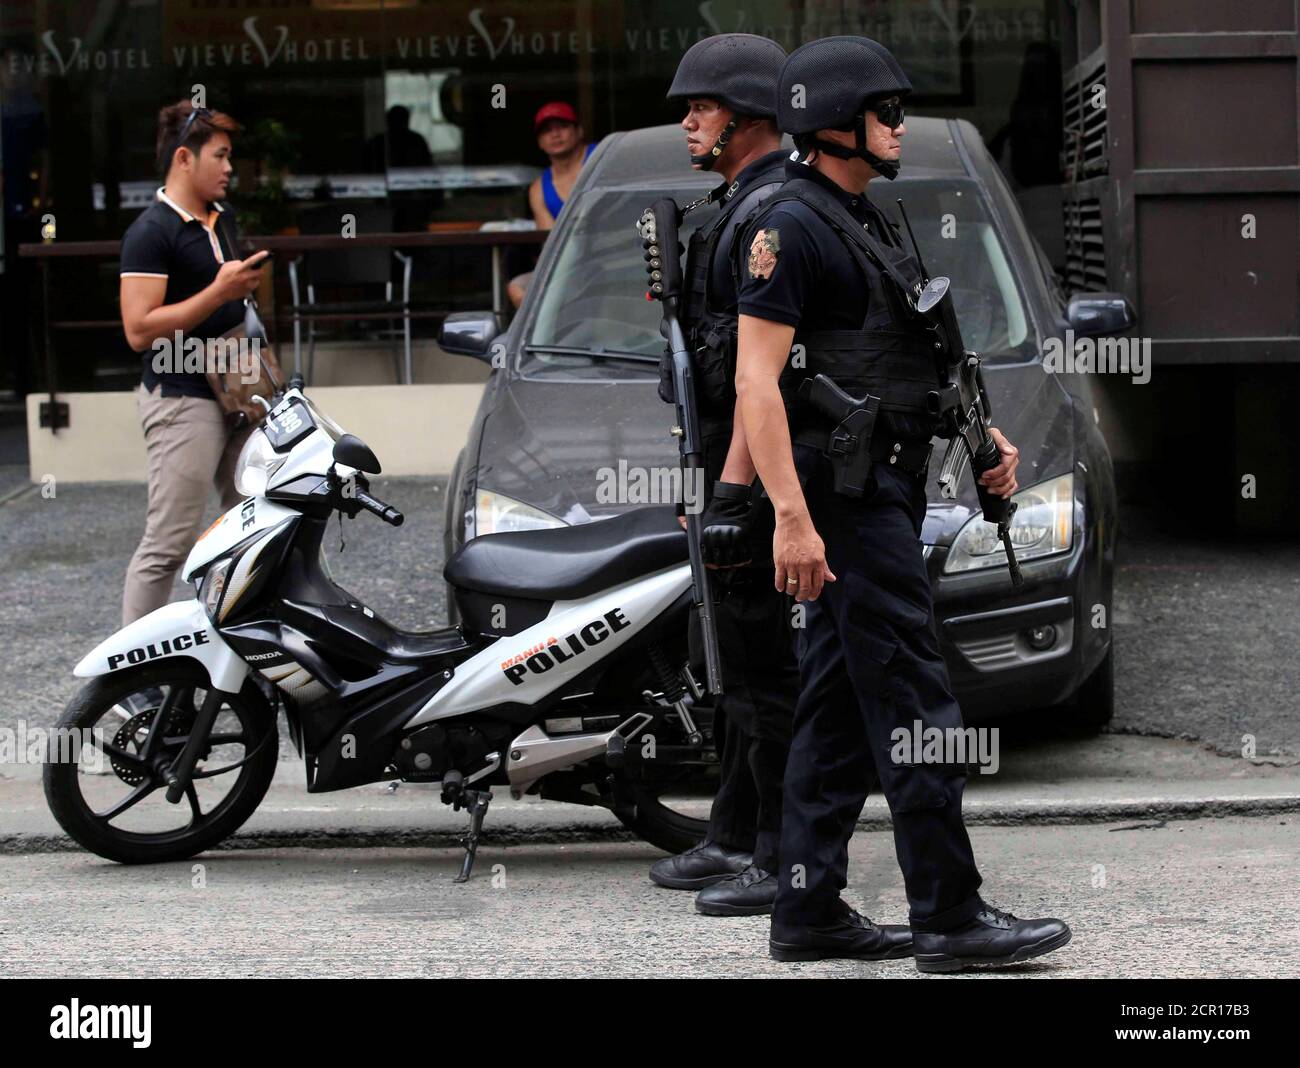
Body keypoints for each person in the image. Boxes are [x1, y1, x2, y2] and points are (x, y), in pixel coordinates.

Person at [727, 36, 1072, 970]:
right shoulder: (787, 228)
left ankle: (806, 912)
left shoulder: (867, 219)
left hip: (885, 484)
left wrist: (983, 438)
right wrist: (790, 519)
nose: (900, 125)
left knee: (838, 709)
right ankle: (949, 917)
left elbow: (913, 350)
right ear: (837, 124)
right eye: (887, 111)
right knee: (918, 698)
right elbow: (756, 385)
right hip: (843, 501)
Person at [646, 33, 798, 917]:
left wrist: (735, 501)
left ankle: (784, 859)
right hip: (722, 469)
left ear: (743, 115)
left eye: (699, 106)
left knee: (765, 674)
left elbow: (757, 374)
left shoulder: (768, 210)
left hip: (747, 477)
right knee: (734, 669)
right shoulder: (739, 203)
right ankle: (736, 833)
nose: (688, 121)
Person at [119, 101, 269, 625]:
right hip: (181, 394)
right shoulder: (151, 231)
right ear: (185, 158)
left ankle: (241, 655)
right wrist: (217, 291)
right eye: (221, 156)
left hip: (237, 389)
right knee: (170, 541)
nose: (230, 168)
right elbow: (138, 330)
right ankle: (133, 679)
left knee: (251, 525)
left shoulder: (222, 220)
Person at [507, 102, 595, 308]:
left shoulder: (600, 158)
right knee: (517, 288)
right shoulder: (539, 188)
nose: (555, 134)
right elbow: (550, 241)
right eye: (547, 131)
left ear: (579, 131)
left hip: (613, 255)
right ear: (540, 142)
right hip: (570, 265)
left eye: (562, 127)